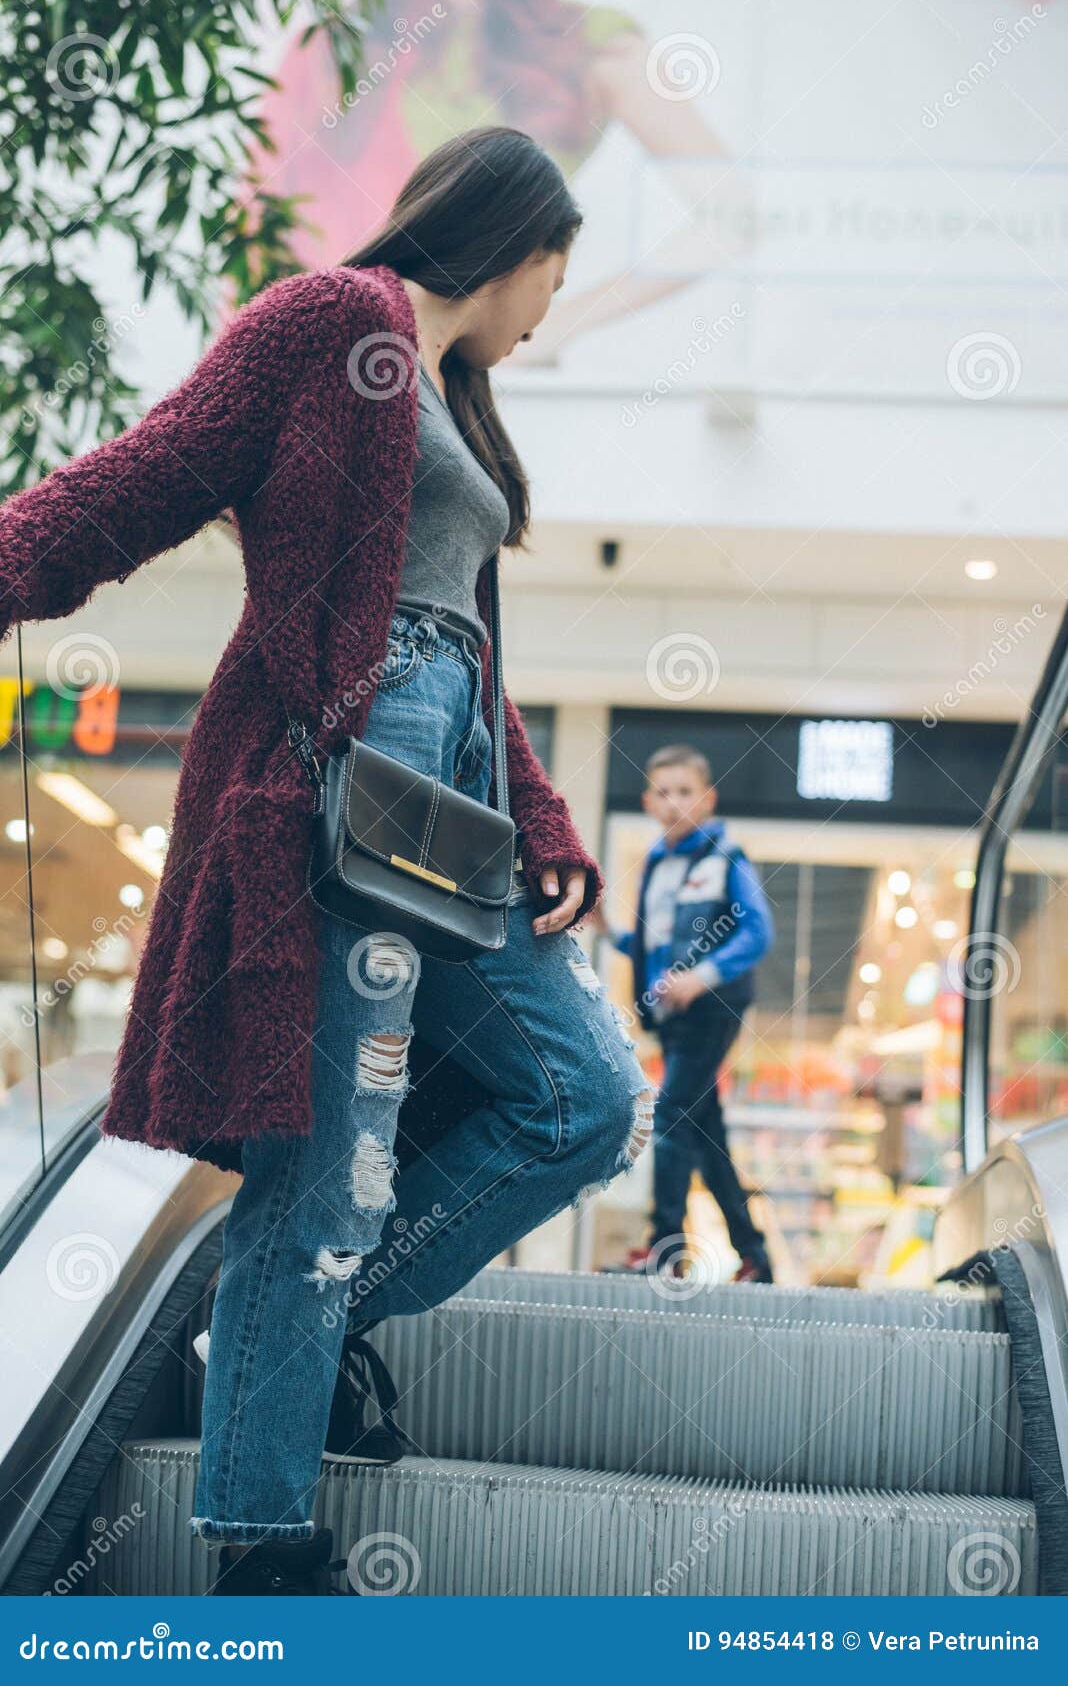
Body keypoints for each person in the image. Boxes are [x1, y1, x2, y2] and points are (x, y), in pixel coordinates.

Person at [0, 127, 655, 1594]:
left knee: (583, 1097)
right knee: (327, 1169)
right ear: (514, 243)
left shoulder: (457, 393)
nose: (555, 300)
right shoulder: (331, 324)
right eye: (558, 267)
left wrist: (540, 820)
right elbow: (141, 475)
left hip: (453, 785)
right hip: (333, 791)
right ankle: (260, 1532)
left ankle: (292, 1322)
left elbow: (467, 648)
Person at [594, 744, 774, 1285]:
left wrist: (702, 977)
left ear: (708, 798)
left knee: (670, 1118)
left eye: (685, 792)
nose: (674, 803)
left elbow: (758, 933)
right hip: (671, 1018)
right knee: (704, 1133)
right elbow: (659, 948)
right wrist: (610, 932)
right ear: (649, 800)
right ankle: (756, 1255)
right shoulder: (656, 862)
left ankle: (666, 1252)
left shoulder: (727, 857)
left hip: (713, 1008)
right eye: (664, 792)